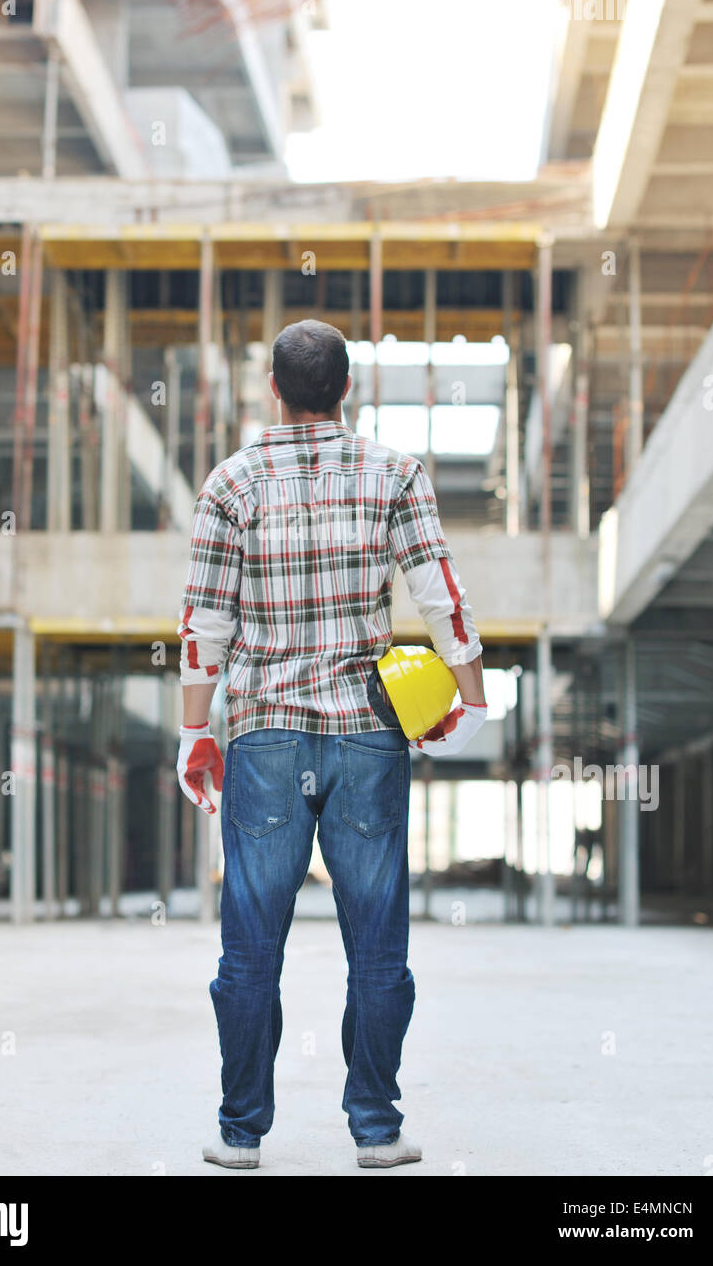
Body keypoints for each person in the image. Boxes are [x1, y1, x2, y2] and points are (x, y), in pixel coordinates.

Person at [177, 319, 487, 1170]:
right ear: (346, 389)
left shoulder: (230, 485)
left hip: (266, 737)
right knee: (379, 948)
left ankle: (241, 1132)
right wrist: (472, 705)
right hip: (367, 737)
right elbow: (441, 600)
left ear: (273, 390)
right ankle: (376, 1129)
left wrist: (194, 731)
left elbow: (205, 626)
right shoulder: (396, 474)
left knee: (248, 948)